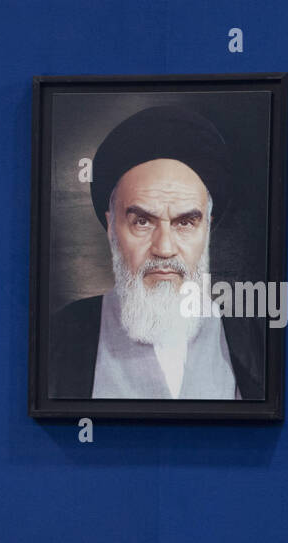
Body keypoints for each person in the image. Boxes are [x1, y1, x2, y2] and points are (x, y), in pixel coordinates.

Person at [49, 105, 263, 400]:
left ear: (207, 230)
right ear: (112, 227)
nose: (164, 248)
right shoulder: (58, 338)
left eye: (186, 222)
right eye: (142, 221)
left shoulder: (255, 336)